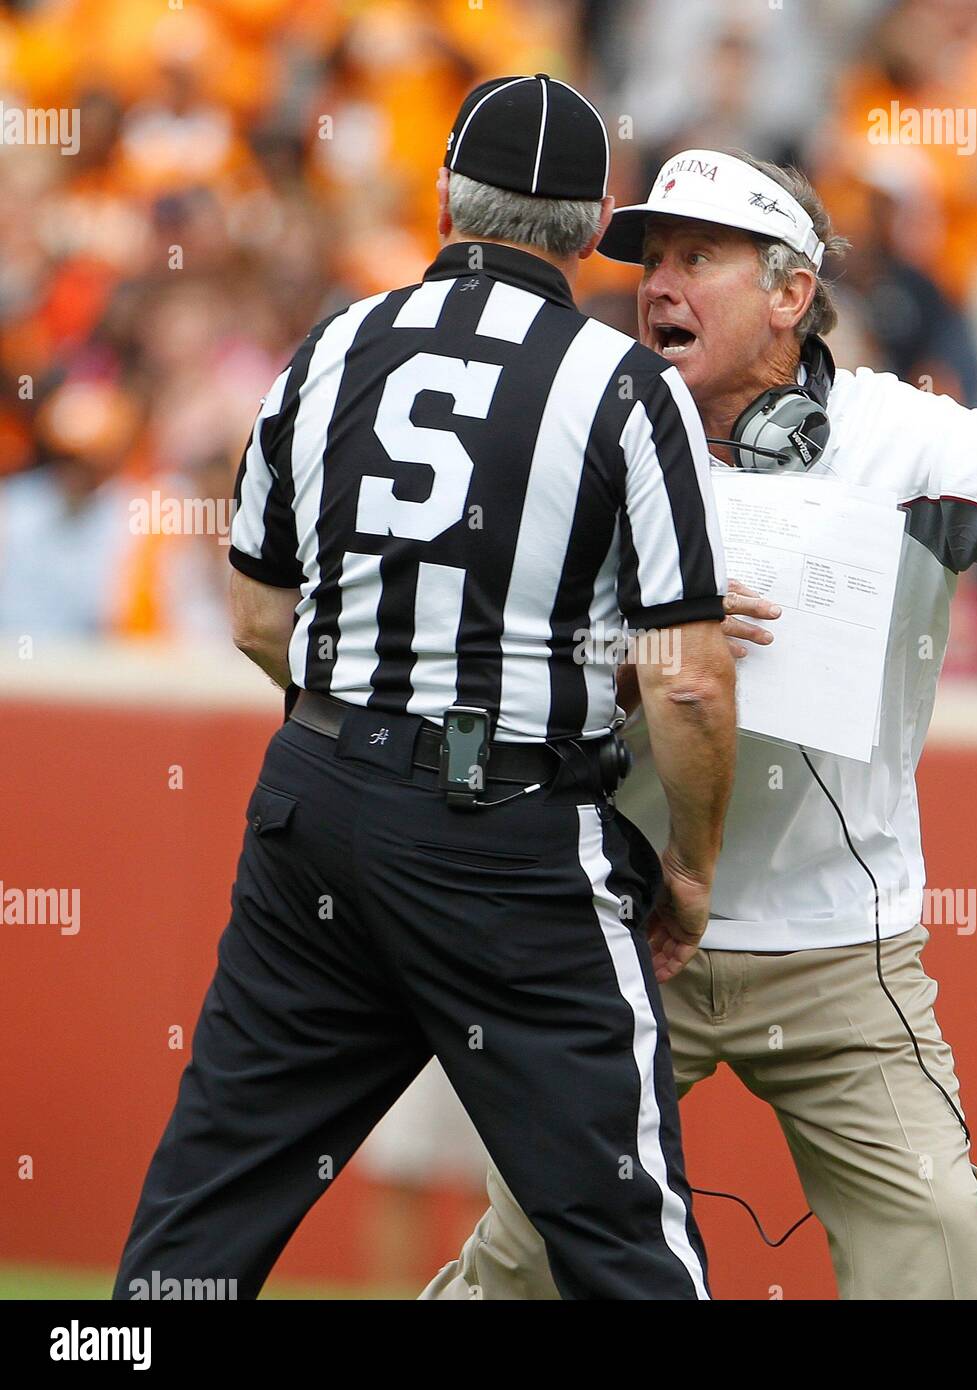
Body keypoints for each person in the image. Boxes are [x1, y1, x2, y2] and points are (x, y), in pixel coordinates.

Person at [421, 146, 977, 1301]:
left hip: (839, 943)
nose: (660, 284)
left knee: (943, 1250)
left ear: (791, 293)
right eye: (652, 259)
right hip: (629, 927)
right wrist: (636, 653)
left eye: (696, 257)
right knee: (524, 1264)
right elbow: (484, 678)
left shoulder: (903, 435)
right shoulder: (580, 431)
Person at [112, 77, 736, 1302]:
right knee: (625, 1233)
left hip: (315, 801)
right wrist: (694, 868)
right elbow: (692, 686)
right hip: (504, 828)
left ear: (448, 199)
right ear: (590, 229)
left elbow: (257, 615)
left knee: (210, 1200)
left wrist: (363, 721)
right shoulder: (624, 385)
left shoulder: (334, 345)